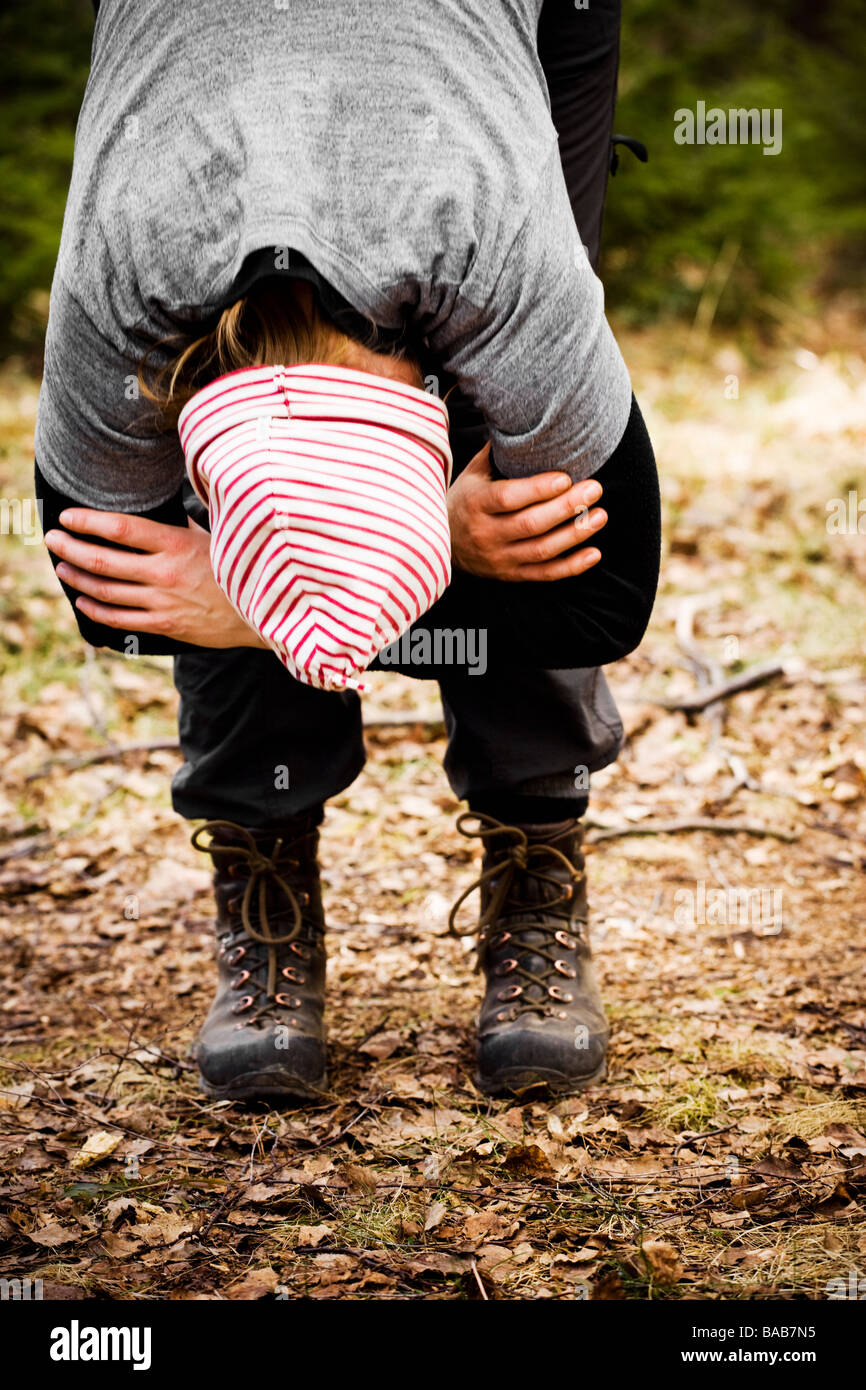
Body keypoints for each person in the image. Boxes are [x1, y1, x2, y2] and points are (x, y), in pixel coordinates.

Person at [35, 0, 660, 1100]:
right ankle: (262, 859)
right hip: (191, 70)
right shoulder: (118, 285)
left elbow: (607, 593)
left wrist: (433, 539)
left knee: (530, 493)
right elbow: (107, 592)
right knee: (220, 532)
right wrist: (241, 566)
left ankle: (535, 856)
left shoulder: (504, 261)